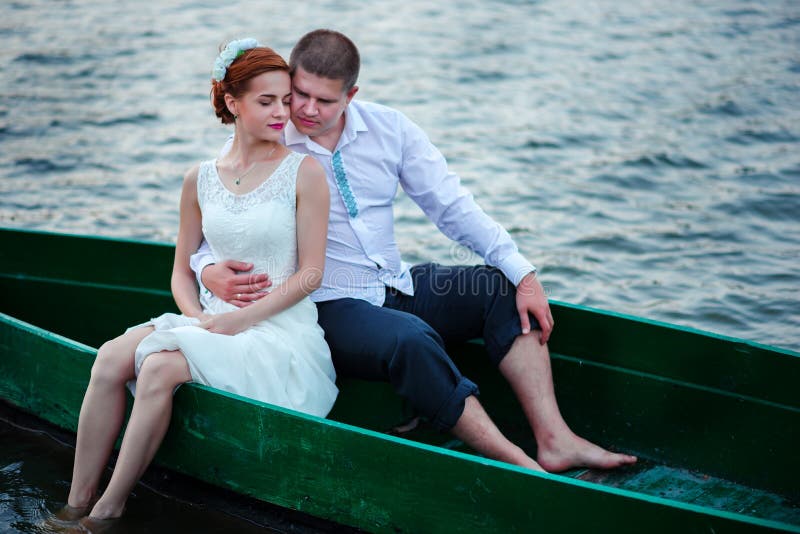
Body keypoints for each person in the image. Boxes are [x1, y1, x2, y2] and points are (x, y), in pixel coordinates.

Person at [194, 29, 637, 473]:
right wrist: (208, 267)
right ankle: (517, 463)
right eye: (300, 94)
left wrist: (523, 273)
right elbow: (222, 222)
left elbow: (451, 206)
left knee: (495, 286)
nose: (307, 110)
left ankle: (555, 439)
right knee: (409, 337)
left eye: (325, 101)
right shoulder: (268, 137)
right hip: (324, 302)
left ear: (352, 94)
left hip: (393, 282)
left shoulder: (390, 129)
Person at [58, 40, 337, 526]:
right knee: (108, 358)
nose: (282, 112)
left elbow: (312, 272)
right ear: (233, 103)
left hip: (276, 332)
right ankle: (75, 500)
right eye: (266, 101)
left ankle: (107, 510)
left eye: (285, 100)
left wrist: (236, 322)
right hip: (209, 319)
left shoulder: (304, 172)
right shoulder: (200, 178)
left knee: (161, 366)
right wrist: (198, 318)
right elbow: (181, 270)